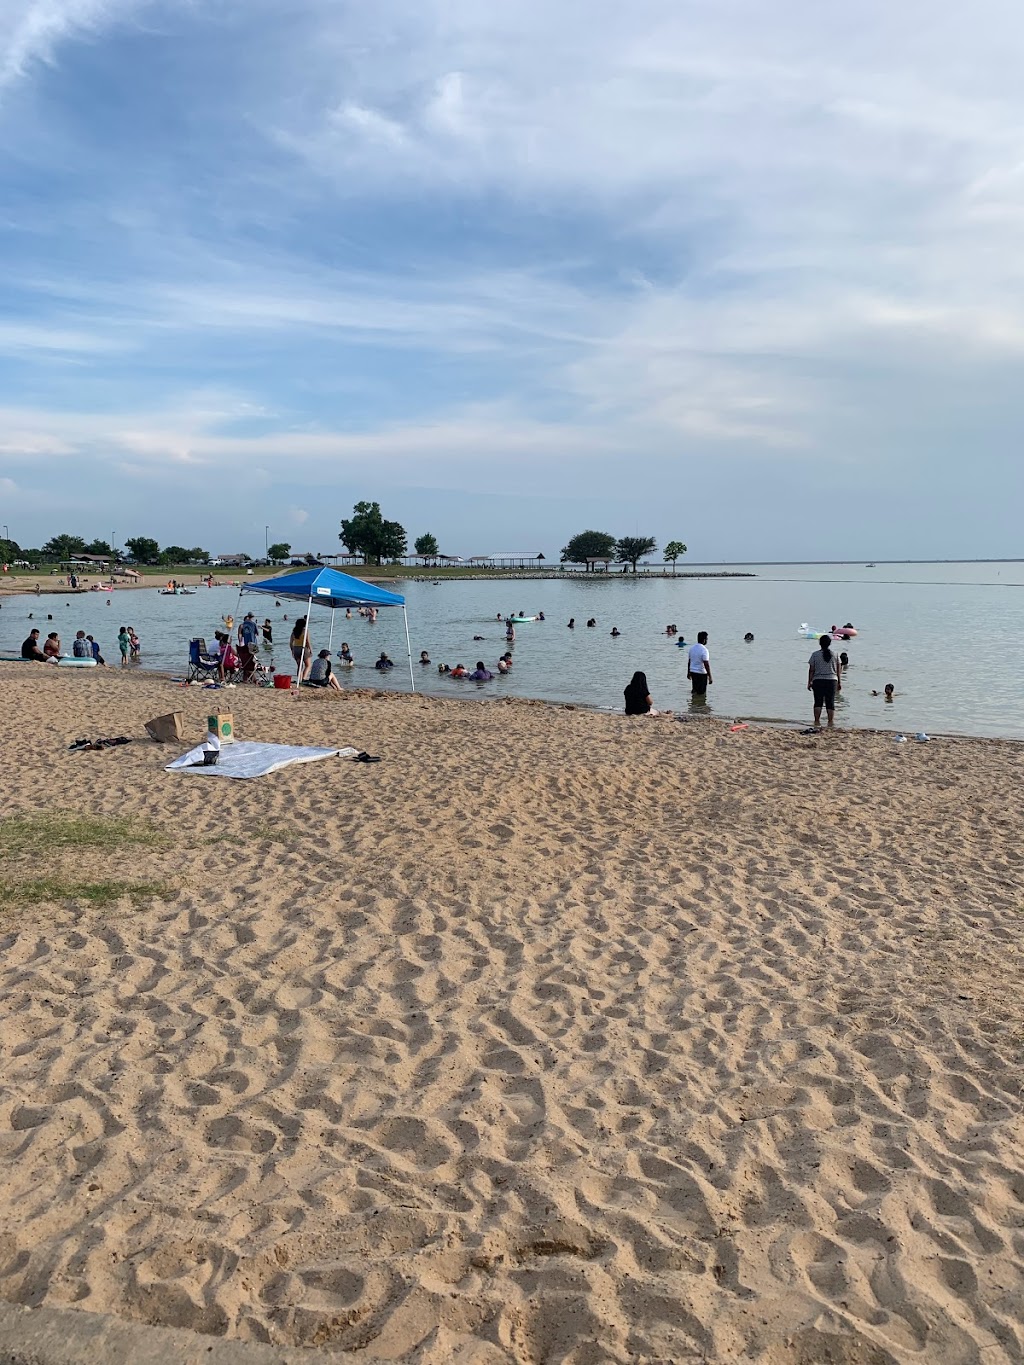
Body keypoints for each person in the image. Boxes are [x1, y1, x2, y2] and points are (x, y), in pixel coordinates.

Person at [807, 634, 842, 728]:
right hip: (832, 680)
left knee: (818, 702)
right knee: (830, 702)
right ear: (829, 643)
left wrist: (809, 681)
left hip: (818, 680)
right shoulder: (835, 654)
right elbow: (838, 670)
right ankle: (830, 723)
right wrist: (839, 682)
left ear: (820, 643)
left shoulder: (815, 655)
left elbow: (811, 670)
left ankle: (816, 722)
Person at [687, 631, 713, 696]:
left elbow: (689, 661)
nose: (707, 641)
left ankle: (694, 701)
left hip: (693, 672)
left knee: (695, 691)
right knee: (701, 694)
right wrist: (710, 676)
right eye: (706, 639)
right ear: (704, 640)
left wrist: (688, 672)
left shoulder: (692, 648)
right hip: (701, 674)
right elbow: (706, 664)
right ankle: (699, 702)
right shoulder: (704, 650)